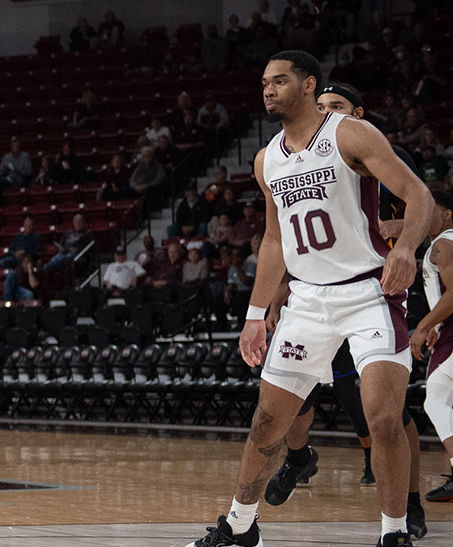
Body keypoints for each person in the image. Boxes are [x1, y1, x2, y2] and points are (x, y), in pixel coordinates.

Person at [185, 51, 433, 547]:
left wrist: (405, 246)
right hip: (306, 303)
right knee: (266, 422)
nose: (268, 90)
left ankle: (394, 533)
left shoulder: (349, 133)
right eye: (264, 84)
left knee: (384, 419)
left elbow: (419, 196)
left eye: (279, 81)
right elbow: (275, 241)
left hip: (370, 292)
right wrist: (256, 314)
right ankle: (238, 525)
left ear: (308, 85)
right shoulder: (266, 158)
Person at [411, 190, 453, 504]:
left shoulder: (445, 242)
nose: (424, 215)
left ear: (448, 213)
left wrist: (426, 324)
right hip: (446, 329)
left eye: (431, 209)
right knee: (442, 399)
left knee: (436, 396)